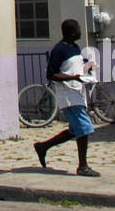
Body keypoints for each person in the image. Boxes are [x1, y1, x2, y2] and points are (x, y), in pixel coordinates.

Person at [33, 19, 99, 176]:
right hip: (68, 95)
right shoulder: (59, 50)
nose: (81, 31)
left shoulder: (75, 47)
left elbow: (77, 65)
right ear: (72, 32)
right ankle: (82, 166)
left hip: (78, 92)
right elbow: (51, 74)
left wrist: (88, 68)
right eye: (79, 28)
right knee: (84, 128)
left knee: (75, 129)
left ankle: (43, 147)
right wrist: (71, 78)